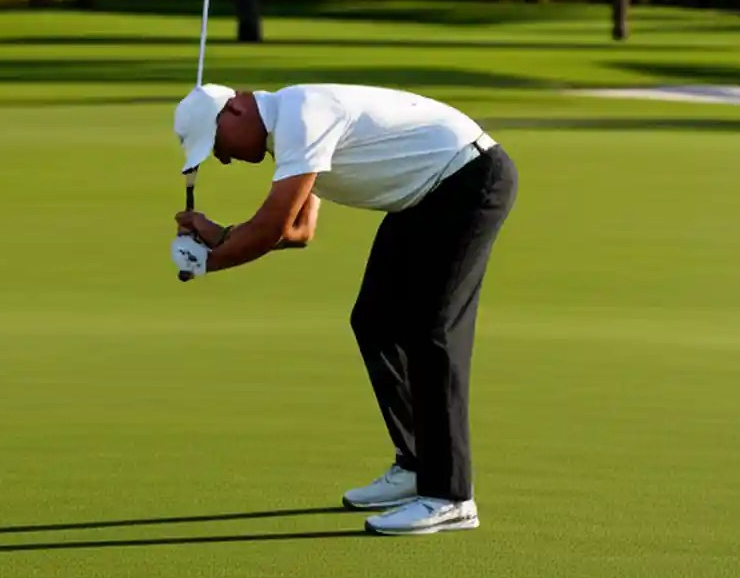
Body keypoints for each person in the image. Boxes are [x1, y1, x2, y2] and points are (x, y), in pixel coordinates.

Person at [170, 83, 518, 536]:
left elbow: (273, 226)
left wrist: (206, 262)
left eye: (216, 145)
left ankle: (450, 496)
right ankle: (417, 466)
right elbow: (299, 230)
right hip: (423, 197)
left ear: (235, 109)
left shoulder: (302, 115)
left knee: (432, 330)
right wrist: (217, 235)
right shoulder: (288, 132)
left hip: (467, 180)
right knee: (374, 319)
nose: (222, 158)